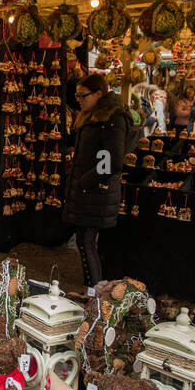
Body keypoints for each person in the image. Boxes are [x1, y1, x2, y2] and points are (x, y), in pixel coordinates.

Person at [62, 74, 134, 295]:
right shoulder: (90, 117)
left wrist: (85, 182)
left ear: (98, 94)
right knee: (85, 242)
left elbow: (111, 161)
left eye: (82, 95)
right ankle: (91, 289)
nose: (78, 100)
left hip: (96, 192)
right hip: (88, 190)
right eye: (76, 95)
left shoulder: (112, 119)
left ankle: (95, 292)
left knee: (87, 242)